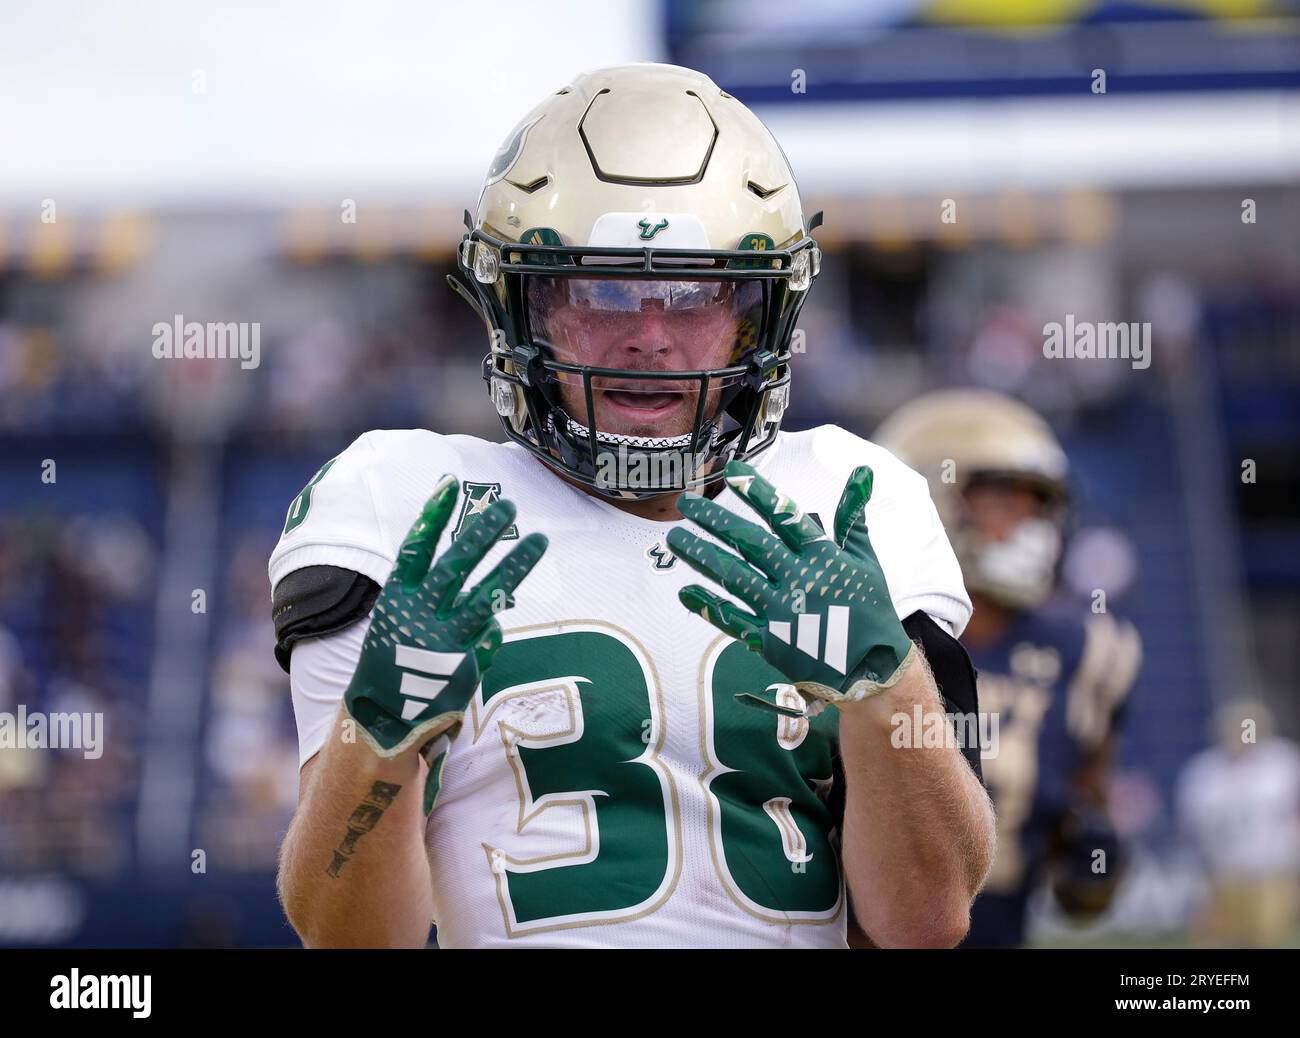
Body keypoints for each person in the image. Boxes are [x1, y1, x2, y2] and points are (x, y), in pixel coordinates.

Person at [269, 63, 992, 949]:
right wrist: (379, 734)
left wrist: (885, 690)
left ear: (756, 314)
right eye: (600, 289)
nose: (649, 335)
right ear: (518, 305)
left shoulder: (854, 501)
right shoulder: (406, 508)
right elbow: (348, 939)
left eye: (695, 292)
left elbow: (929, 923)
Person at [875, 388, 1141, 947]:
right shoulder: (865, 637)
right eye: (1003, 498)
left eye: (1038, 503)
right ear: (928, 497)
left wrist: (1092, 861)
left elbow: (1085, 830)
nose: (1030, 524)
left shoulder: (1091, 650)